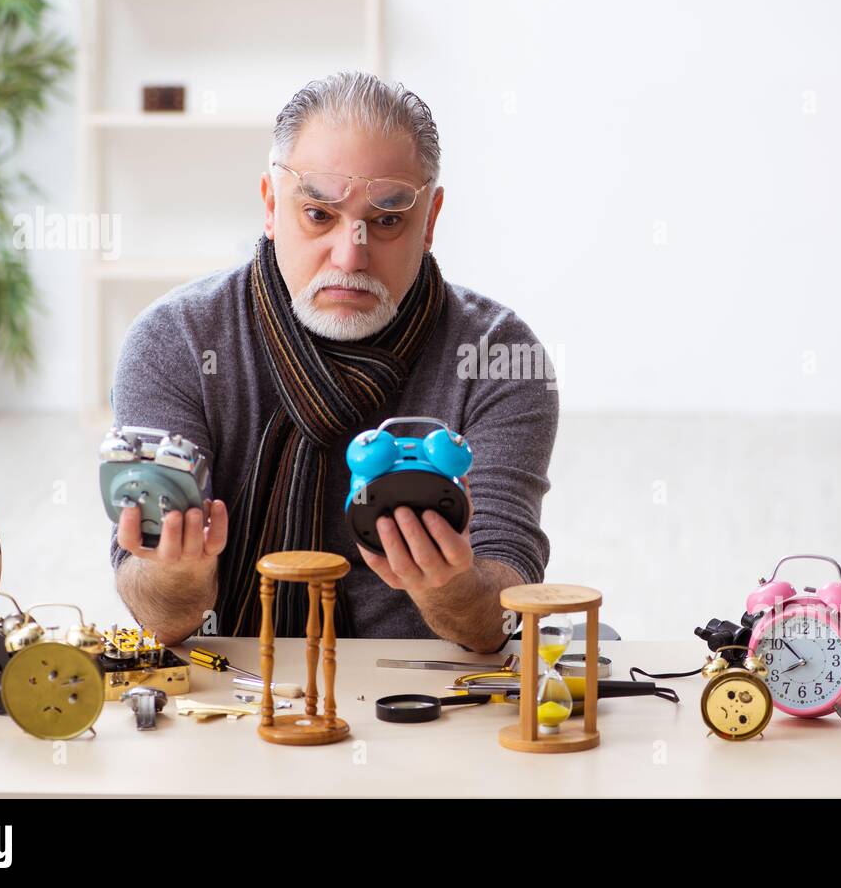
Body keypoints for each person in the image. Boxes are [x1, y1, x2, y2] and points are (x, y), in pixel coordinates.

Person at [109, 70, 558, 653]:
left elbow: (499, 620)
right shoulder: (175, 342)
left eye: (388, 220)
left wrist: (454, 588)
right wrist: (179, 580)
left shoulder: (500, 357)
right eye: (318, 215)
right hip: (232, 691)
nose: (351, 256)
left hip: (425, 701)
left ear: (431, 221)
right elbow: (161, 620)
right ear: (271, 206)